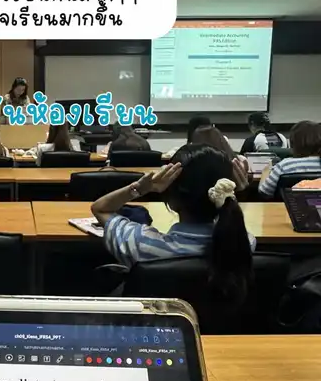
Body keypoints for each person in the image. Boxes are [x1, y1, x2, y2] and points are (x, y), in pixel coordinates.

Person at [91, 144, 255, 304]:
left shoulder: (141, 243)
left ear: (172, 197)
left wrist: (140, 189)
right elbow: (230, 216)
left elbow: (101, 209)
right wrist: (234, 194)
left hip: (157, 322)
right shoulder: (244, 243)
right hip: (222, 323)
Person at [258, 120, 321, 198]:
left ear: (293, 144)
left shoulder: (285, 165)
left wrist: (265, 172)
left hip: (286, 206)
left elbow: (265, 192)